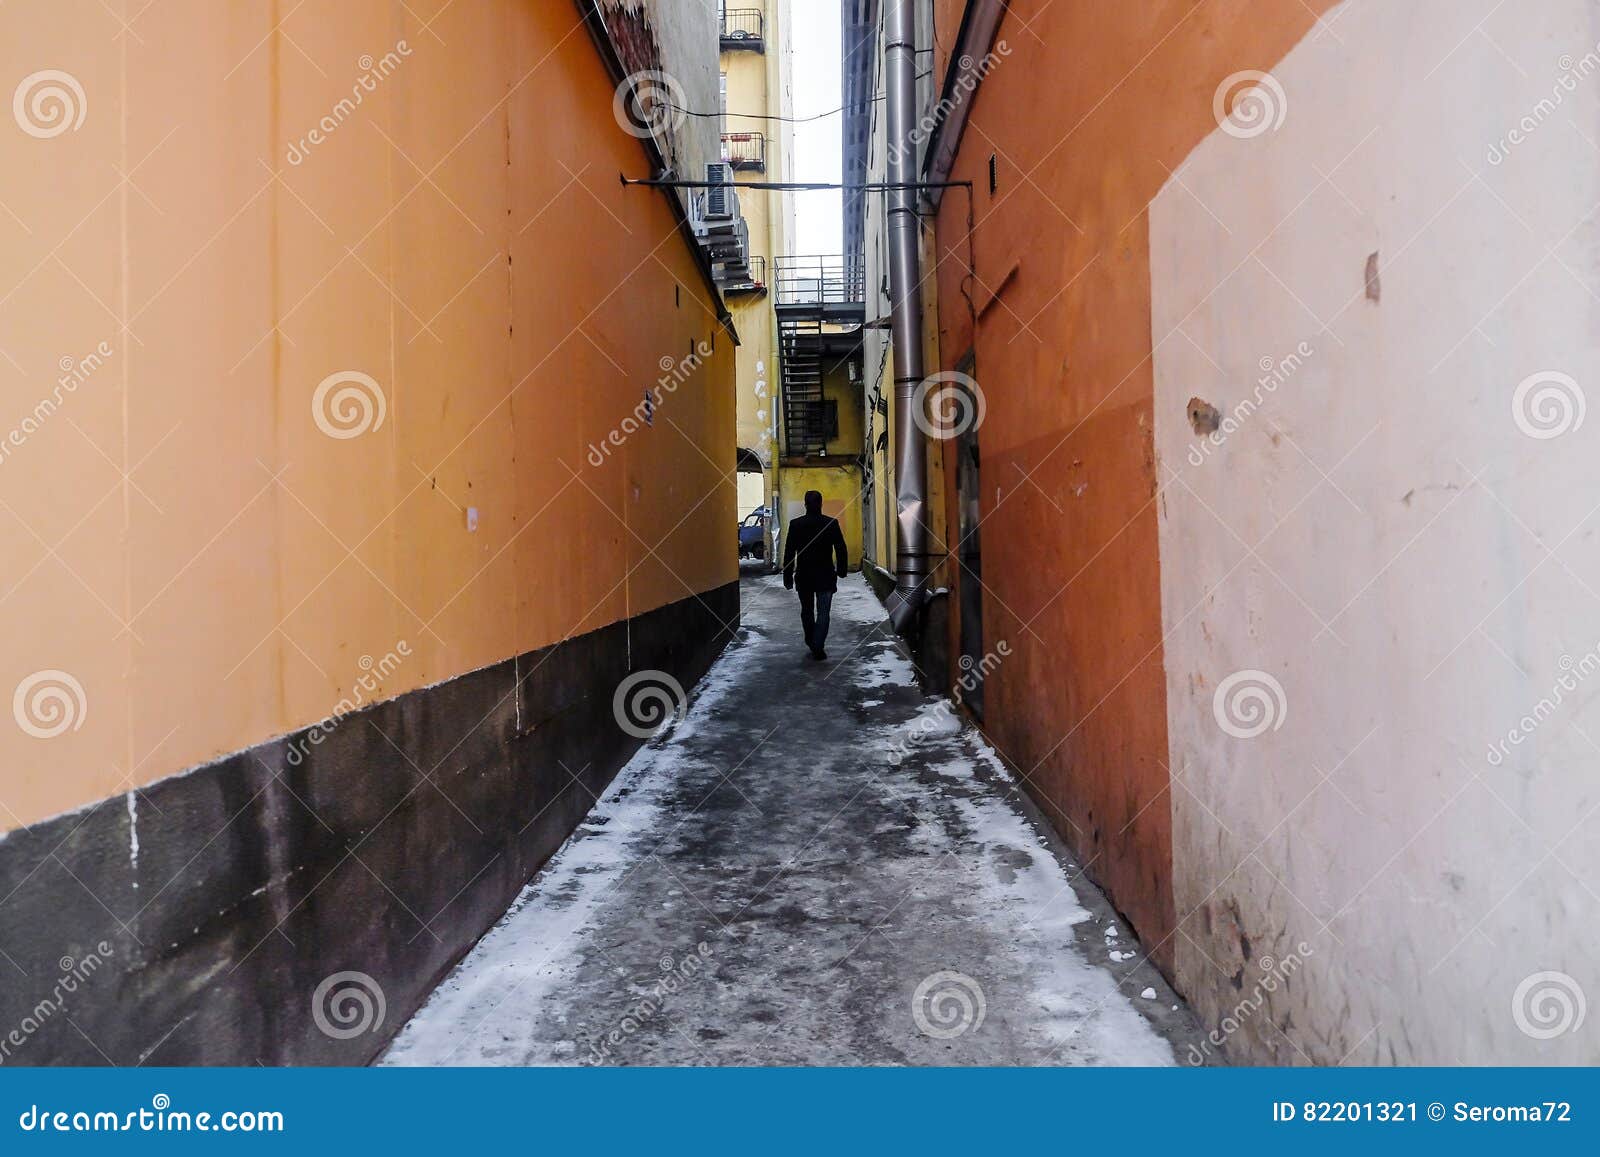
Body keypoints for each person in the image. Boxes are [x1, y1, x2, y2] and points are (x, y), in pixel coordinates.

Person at [783, 490, 849, 660]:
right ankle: (818, 645)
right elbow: (841, 548)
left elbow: (789, 552)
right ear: (821, 504)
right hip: (825, 575)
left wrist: (787, 576)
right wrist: (841, 570)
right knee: (823, 612)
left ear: (805, 504)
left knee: (807, 611)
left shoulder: (796, 524)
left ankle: (811, 640)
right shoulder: (831, 523)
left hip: (804, 576)